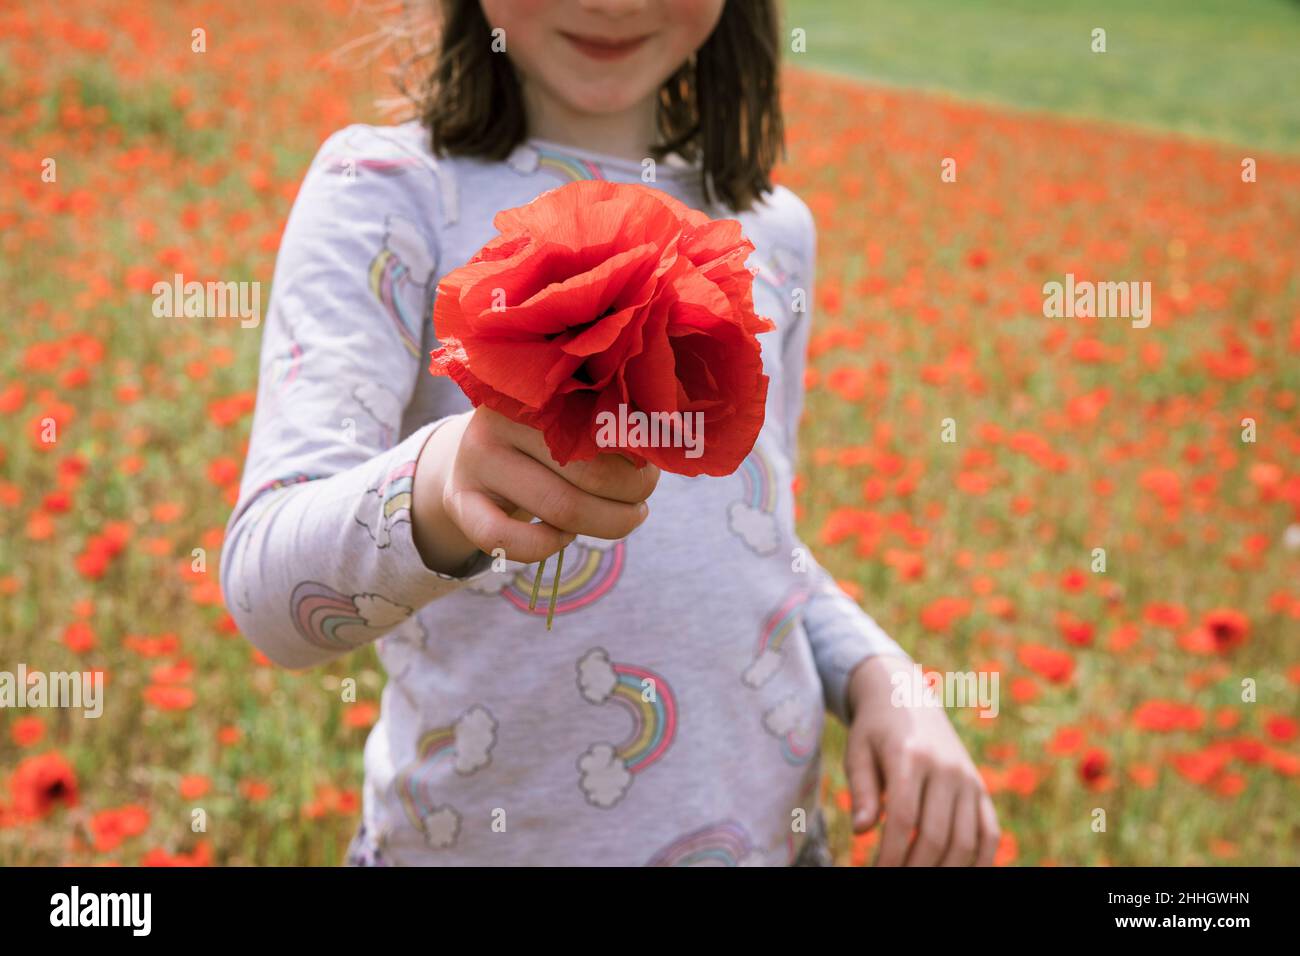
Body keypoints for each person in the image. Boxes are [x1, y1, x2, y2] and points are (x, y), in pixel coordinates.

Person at [221, 0, 999, 866]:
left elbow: (759, 551)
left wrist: (877, 673)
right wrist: (446, 487)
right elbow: (268, 596)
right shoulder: (386, 189)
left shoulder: (772, 229)